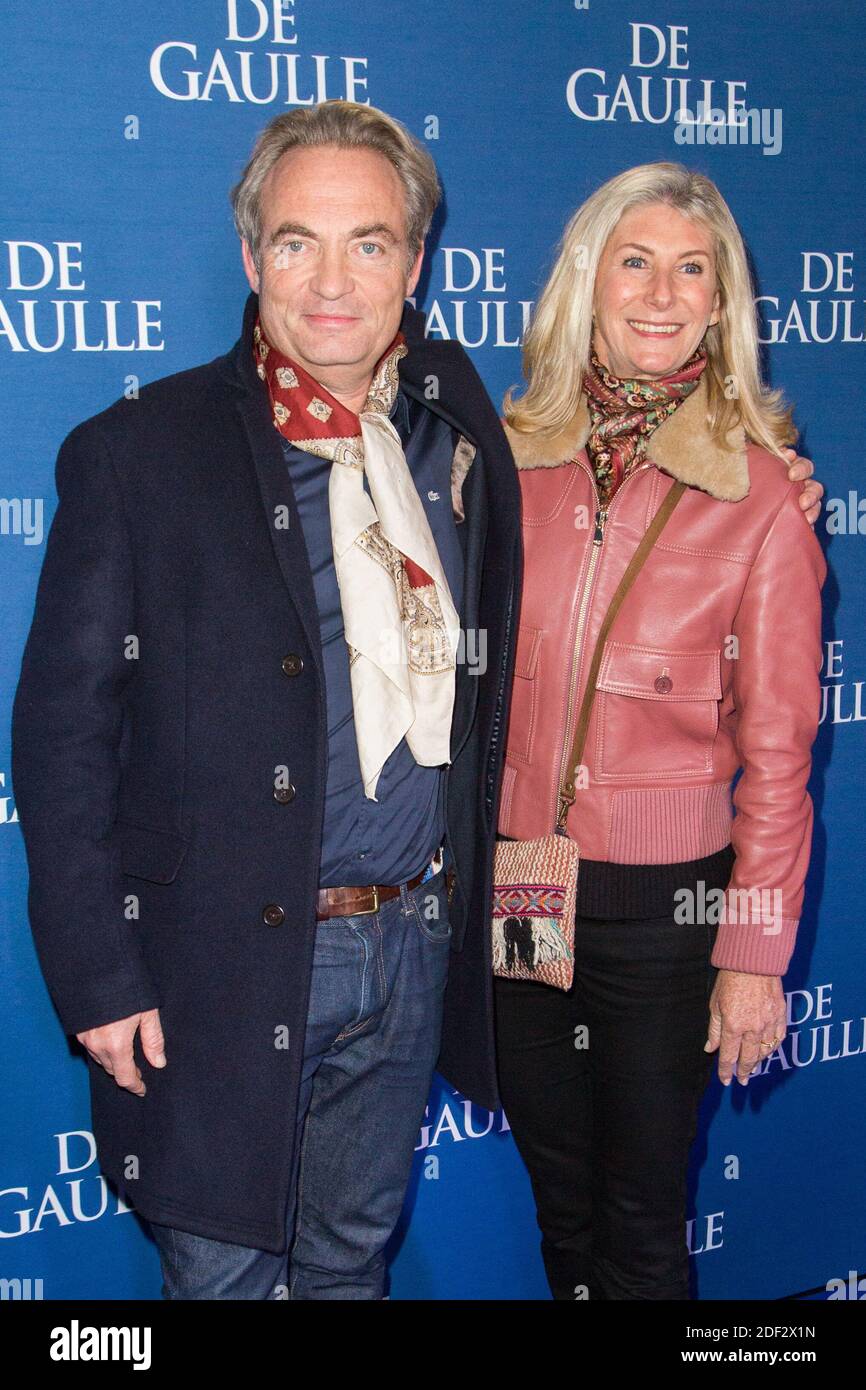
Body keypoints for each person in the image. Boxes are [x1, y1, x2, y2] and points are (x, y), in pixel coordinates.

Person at [11, 100, 521, 1300]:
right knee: (225, 1277)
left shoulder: (451, 432)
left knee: (349, 1268)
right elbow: (61, 735)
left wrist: (757, 478)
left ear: (415, 262)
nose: (333, 282)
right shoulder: (137, 453)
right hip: (216, 967)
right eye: (297, 241)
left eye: (370, 244)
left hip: (408, 942)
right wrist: (96, 973)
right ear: (251, 258)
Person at [492, 161, 827, 1301]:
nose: (660, 292)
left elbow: (781, 763)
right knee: (561, 1203)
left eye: (693, 270)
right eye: (632, 261)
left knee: (640, 1225)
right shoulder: (500, 462)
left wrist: (749, 953)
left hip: (666, 915)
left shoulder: (761, 496)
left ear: (721, 303)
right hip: (523, 885)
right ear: (585, 281)